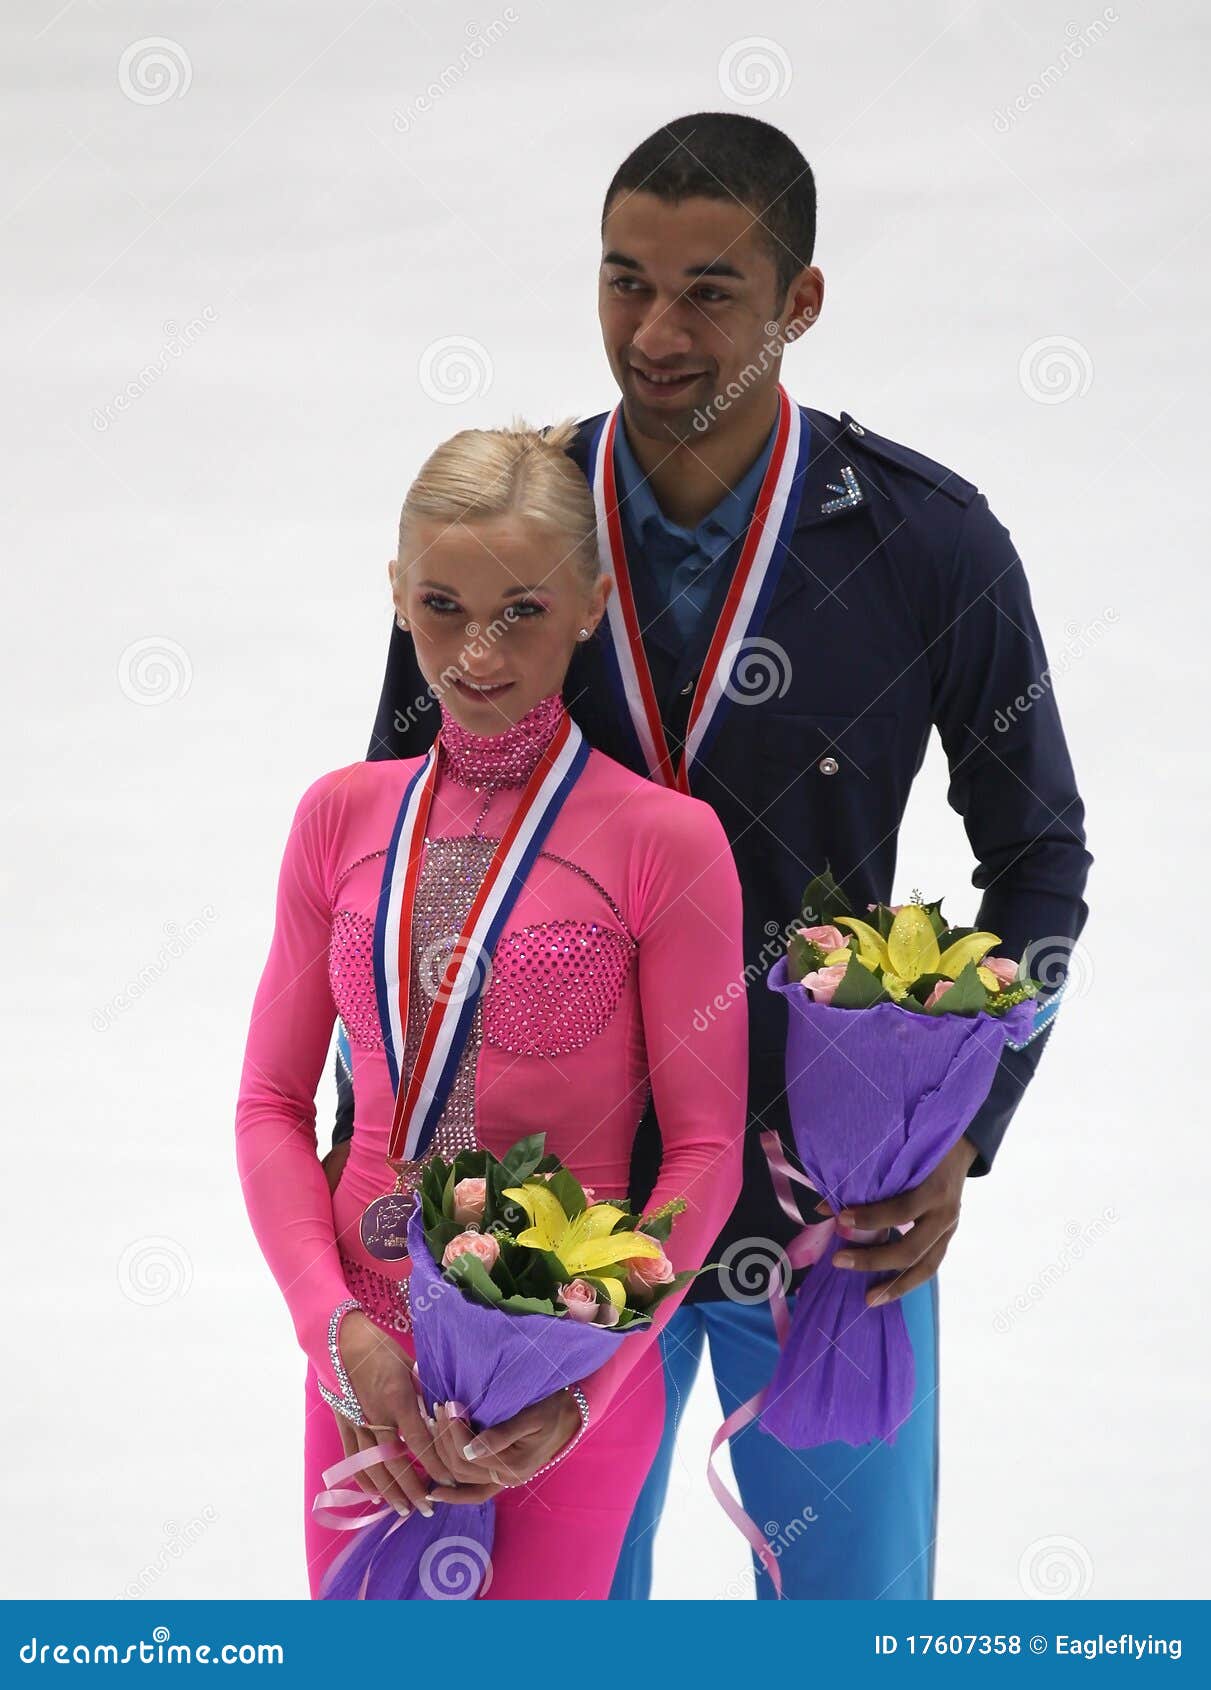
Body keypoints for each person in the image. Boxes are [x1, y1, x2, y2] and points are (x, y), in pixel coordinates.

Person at [328, 112, 1092, 1601]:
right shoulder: (514, 530)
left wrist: (960, 1128)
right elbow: (395, 858)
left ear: (797, 303)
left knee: (852, 1625)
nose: (654, 331)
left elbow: (1040, 856)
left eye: (707, 292)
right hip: (540, 1230)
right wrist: (393, 1189)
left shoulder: (925, 545)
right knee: (545, 1625)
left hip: (823, 1213)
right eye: (623, 281)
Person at [234, 417, 747, 1599]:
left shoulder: (665, 843)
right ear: (397, 598)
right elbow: (270, 1102)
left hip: (565, 1371)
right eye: (441, 606)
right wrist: (338, 1333)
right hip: (362, 1368)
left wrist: (582, 1388)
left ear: (590, 603)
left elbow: (707, 1148)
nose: (475, 650)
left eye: (521, 609)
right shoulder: (337, 818)